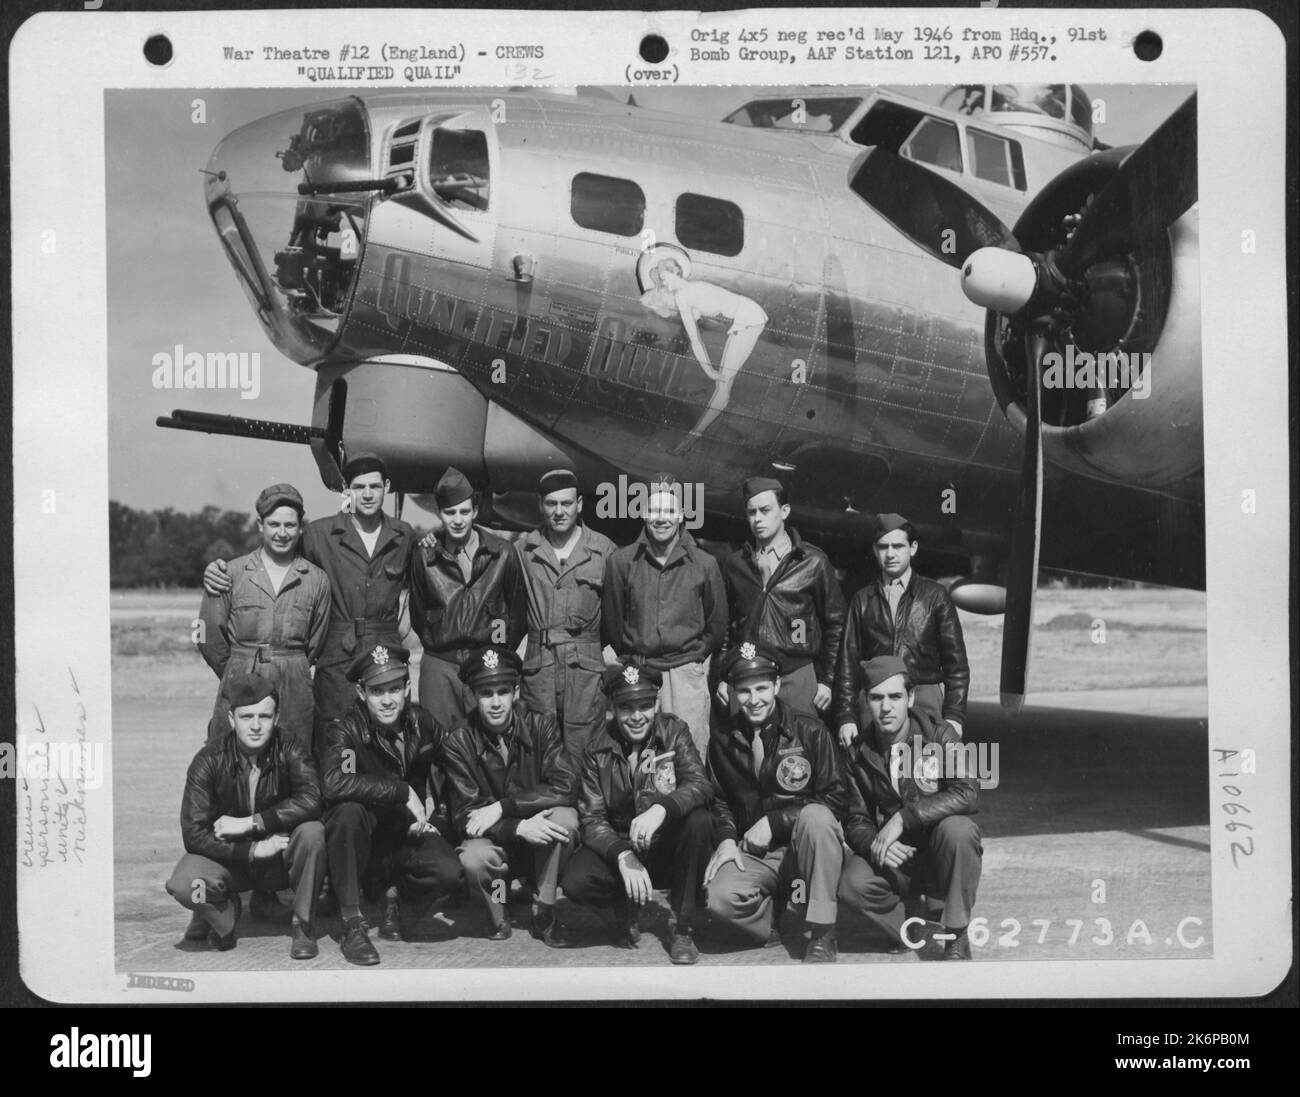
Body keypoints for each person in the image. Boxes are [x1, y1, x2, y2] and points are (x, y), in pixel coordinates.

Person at [203, 453, 419, 750]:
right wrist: (221, 569)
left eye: (374, 487)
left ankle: (389, 793)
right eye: (358, 487)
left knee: (387, 730)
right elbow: (278, 553)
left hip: (385, 647)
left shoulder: (404, 535)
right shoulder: (319, 534)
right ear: (346, 490)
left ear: (387, 487)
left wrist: (436, 542)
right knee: (335, 735)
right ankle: (342, 794)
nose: (367, 494)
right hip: (337, 654)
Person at [561, 661, 715, 964]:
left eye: (644, 706)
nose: (636, 717)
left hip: (665, 844)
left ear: (656, 704)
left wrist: (662, 808)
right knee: (576, 882)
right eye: (626, 707)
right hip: (622, 843)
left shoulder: (674, 730)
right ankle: (622, 909)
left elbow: (700, 784)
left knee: (701, 821)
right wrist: (621, 853)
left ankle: (682, 927)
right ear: (612, 709)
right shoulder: (596, 747)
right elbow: (592, 818)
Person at [319, 643, 463, 965]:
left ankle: (395, 901)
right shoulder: (348, 732)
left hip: (405, 839)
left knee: (449, 871)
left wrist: (437, 816)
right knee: (346, 812)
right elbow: (336, 782)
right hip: (364, 846)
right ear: (361, 692)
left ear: (408, 687)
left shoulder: (421, 723)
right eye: (377, 691)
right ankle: (352, 923)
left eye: (395, 689)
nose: (387, 700)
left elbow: (458, 763)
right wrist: (400, 791)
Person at [704, 643, 849, 963]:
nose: (754, 699)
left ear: (778, 686)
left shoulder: (810, 730)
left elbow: (835, 799)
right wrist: (727, 840)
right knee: (720, 898)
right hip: (757, 852)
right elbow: (719, 800)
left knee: (817, 817)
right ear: (732, 691)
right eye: (743, 691)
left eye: (761, 688)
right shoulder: (722, 740)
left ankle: (823, 933)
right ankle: (772, 922)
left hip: (805, 846)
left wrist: (775, 821)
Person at [165, 675, 326, 959]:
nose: (255, 726)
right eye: (246, 716)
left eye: (264, 716)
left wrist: (254, 823)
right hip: (231, 861)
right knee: (185, 883)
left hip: (279, 858)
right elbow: (194, 833)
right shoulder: (208, 759)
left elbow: (312, 799)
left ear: (276, 718)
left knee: (313, 832)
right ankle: (224, 917)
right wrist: (252, 849)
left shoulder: (291, 748)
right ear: (231, 718)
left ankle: (303, 924)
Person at [837, 657, 982, 961]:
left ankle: (956, 934)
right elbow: (855, 818)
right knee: (852, 884)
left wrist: (905, 817)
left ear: (911, 697)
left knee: (960, 831)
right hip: (898, 857)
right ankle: (907, 925)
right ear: (866, 700)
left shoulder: (939, 735)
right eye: (876, 698)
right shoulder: (857, 752)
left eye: (895, 697)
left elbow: (968, 792)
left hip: (937, 851)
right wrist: (874, 844)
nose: (886, 707)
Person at [440, 645, 580, 946]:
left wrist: (506, 807)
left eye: (503, 691)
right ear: (473, 696)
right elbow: (464, 814)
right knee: (474, 857)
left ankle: (544, 909)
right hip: (495, 841)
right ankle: (498, 908)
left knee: (565, 820)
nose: (495, 702)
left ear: (515, 692)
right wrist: (516, 826)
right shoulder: (459, 739)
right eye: (486, 693)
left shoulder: (541, 725)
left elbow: (566, 785)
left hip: (536, 842)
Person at [197, 483, 330, 748]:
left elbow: (316, 642)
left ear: (301, 526)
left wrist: (294, 668)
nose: (282, 533)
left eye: (290, 526)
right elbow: (207, 637)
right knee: (231, 761)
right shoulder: (230, 574)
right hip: (241, 675)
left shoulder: (317, 580)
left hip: (294, 682)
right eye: (274, 524)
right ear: (260, 525)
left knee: (293, 761)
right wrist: (238, 672)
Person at [603, 473, 727, 757]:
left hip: (685, 673)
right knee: (642, 749)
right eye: (654, 510)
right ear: (643, 513)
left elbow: (717, 624)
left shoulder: (705, 563)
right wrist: (634, 654)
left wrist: (693, 657)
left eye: (669, 510)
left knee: (689, 751)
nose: (661, 518)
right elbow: (613, 622)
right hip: (640, 670)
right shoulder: (621, 562)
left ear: (682, 514)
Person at [834, 513, 970, 748]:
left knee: (928, 776)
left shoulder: (936, 597)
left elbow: (956, 665)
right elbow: (847, 663)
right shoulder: (862, 600)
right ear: (875, 551)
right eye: (883, 547)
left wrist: (954, 716)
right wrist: (846, 716)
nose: (890, 554)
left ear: (913, 548)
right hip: (877, 700)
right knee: (875, 774)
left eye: (898, 546)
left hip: (924, 699)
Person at [717, 476, 846, 719]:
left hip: (796, 675)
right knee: (747, 750)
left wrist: (827, 680)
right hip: (746, 674)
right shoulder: (735, 564)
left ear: (784, 511)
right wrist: (724, 677)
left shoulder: (813, 562)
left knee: (798, 750)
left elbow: (836, 625)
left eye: (765, 510)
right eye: (751, 512)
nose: (757, 519)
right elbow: (725, 626)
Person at [408, 466, 527, 728]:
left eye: (464, 511)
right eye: (450, 513)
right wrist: (439, 641)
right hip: (440, 664)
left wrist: (498, 650)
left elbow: (517, 614)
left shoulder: (503, 553)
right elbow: (418, 613)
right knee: (437, 745)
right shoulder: (424, 557)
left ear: (474, 511)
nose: (458, 520)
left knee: (486, 743)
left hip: (486, 661)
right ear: (439, 513)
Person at [515, 468, 617, 760]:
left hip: (584, 671)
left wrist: (591, 644)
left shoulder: (603, 550)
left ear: (580, 505)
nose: (559, 511)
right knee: (536, 748)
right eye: (551, 504)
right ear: (540, 505)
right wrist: (500, 648)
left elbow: (616, 613)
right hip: (539, 667)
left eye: (566, 503)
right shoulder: (523, 551)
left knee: (585, 750)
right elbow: (504, 612)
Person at [639, 253, 769, 455]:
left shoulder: (685, 295)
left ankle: (689, 441)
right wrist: (709, 371)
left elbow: (696, 341)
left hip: (748, 318)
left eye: (664, 279)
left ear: (677, 273)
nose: (664, 285)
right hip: (748, 316)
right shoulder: (689, 291)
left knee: (723, 386)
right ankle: (691, 439)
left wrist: (709, 372)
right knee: (723, 387)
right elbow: (695, 339)